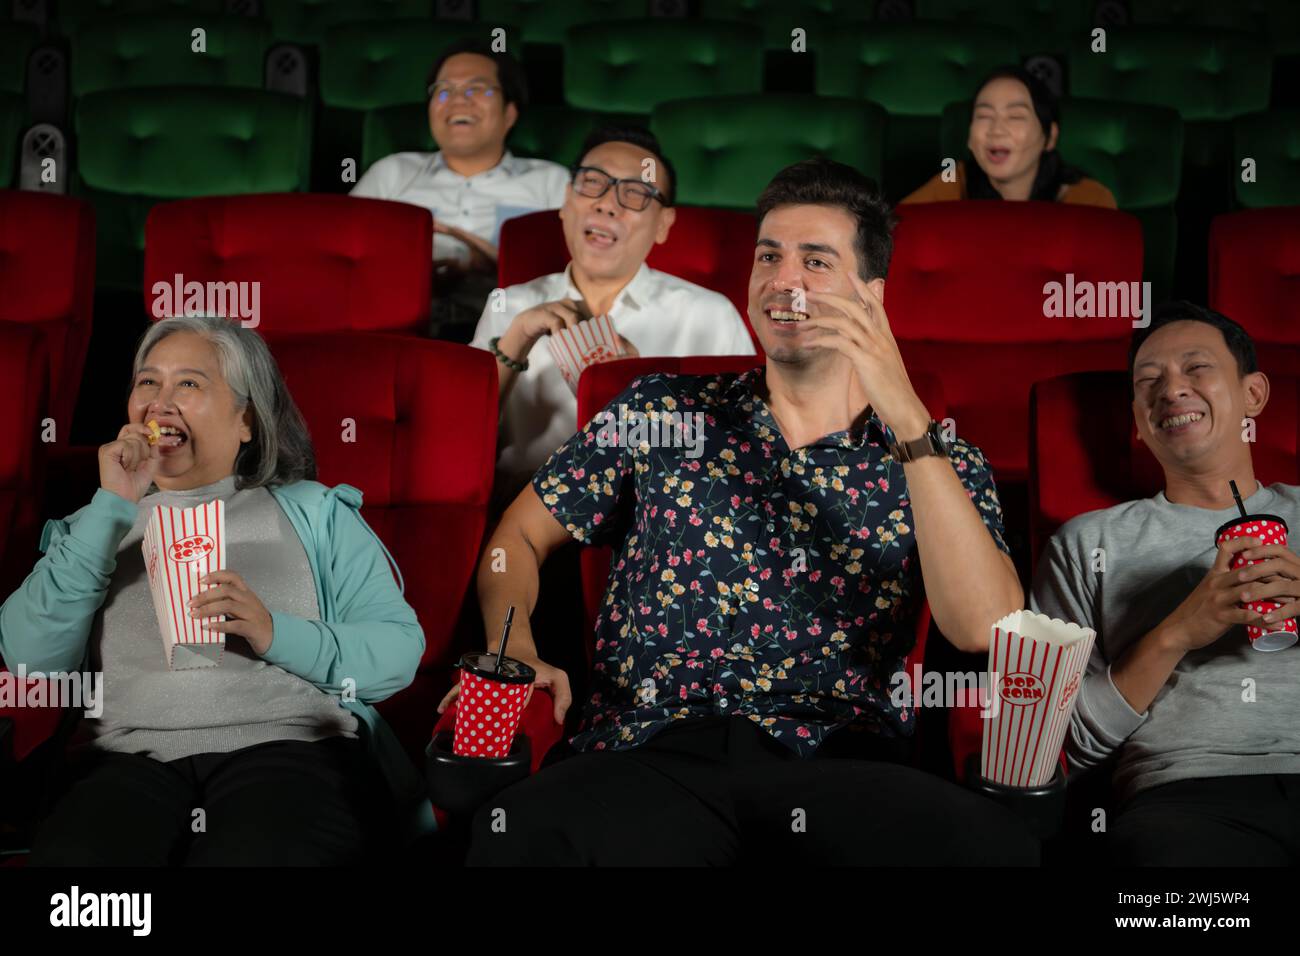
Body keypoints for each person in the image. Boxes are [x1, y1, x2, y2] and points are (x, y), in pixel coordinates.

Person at [447, 158, 1037, 866]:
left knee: (993, 851)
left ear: (872, 296)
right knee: (520, 836)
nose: (785, 280)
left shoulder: (935, 455)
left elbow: (983, 629)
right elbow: (515, 538)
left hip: (841, 762)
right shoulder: (660, 409)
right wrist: (512, 644)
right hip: (650, 750)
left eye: (816, 261)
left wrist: (907, 412)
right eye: (769, 256)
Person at [0, 315, 428, 865]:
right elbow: (33, 660)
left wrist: (275, 633)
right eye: (147, 381)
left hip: (291, 746)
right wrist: (113, 509)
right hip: (129, 755)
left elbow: (395, 654)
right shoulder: (98, 523)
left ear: (246, 420)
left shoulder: (315, 511)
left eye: (190, 383)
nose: (161, 400)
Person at [1030, 301, 1300, 866]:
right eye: (1149, 381)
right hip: (1190, 797)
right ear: (1137, 418)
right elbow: (1053, 746)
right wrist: (1177, 632)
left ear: (1253, 395)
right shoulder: (1086, 544)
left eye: (1197, 368)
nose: (1171, 390)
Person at [470, 124, 756, 507]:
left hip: (650, 520)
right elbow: (459, 439)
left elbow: (741, 454)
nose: (607, 204)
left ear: (663, 225)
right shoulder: (508, 303)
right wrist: (515, 341)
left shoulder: (709, 315)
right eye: (592, 183)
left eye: (635, 193)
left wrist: (645, 398)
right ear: (566, 201)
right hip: (515, 503)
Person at [351, 39, 569, 340]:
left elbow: (576, 280)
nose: (458, 100)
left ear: (510, 112)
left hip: (517, 345)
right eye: (444, 90)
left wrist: (499, 270)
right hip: (399, 337)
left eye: (477, 89)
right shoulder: (391, 174)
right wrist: (413, 277)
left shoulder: (551, 183)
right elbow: (346, 270)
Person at [902, 66, 1116, 207]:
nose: (997, 129)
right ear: (969, 137)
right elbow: (895, 234)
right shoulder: (954, 183)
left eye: (1015, 117)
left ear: (1050, 137)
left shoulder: (1089, 199)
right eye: (984, 116)